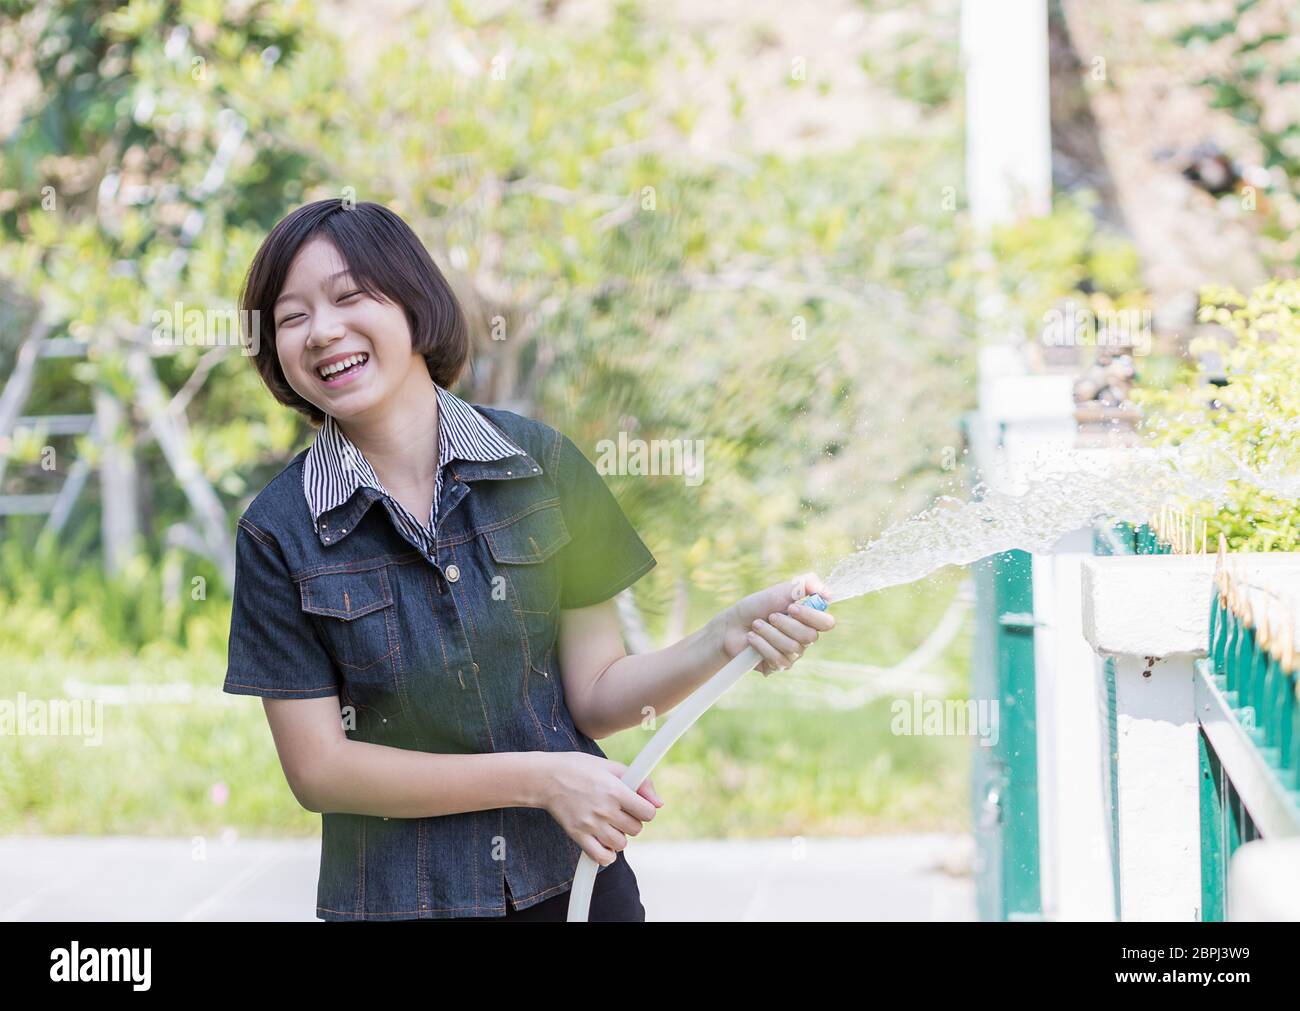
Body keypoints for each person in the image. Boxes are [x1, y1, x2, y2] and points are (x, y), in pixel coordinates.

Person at [221, 198, 836, 921]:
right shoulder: (278, 529)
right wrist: (542, 779)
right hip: (395, 903)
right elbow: (321, 770)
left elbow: (598, 691)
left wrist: (721, 637)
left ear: (416, 305)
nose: (323, 331)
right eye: (292, 317)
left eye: (349, 296)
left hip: (572, 887)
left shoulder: (542, 465)